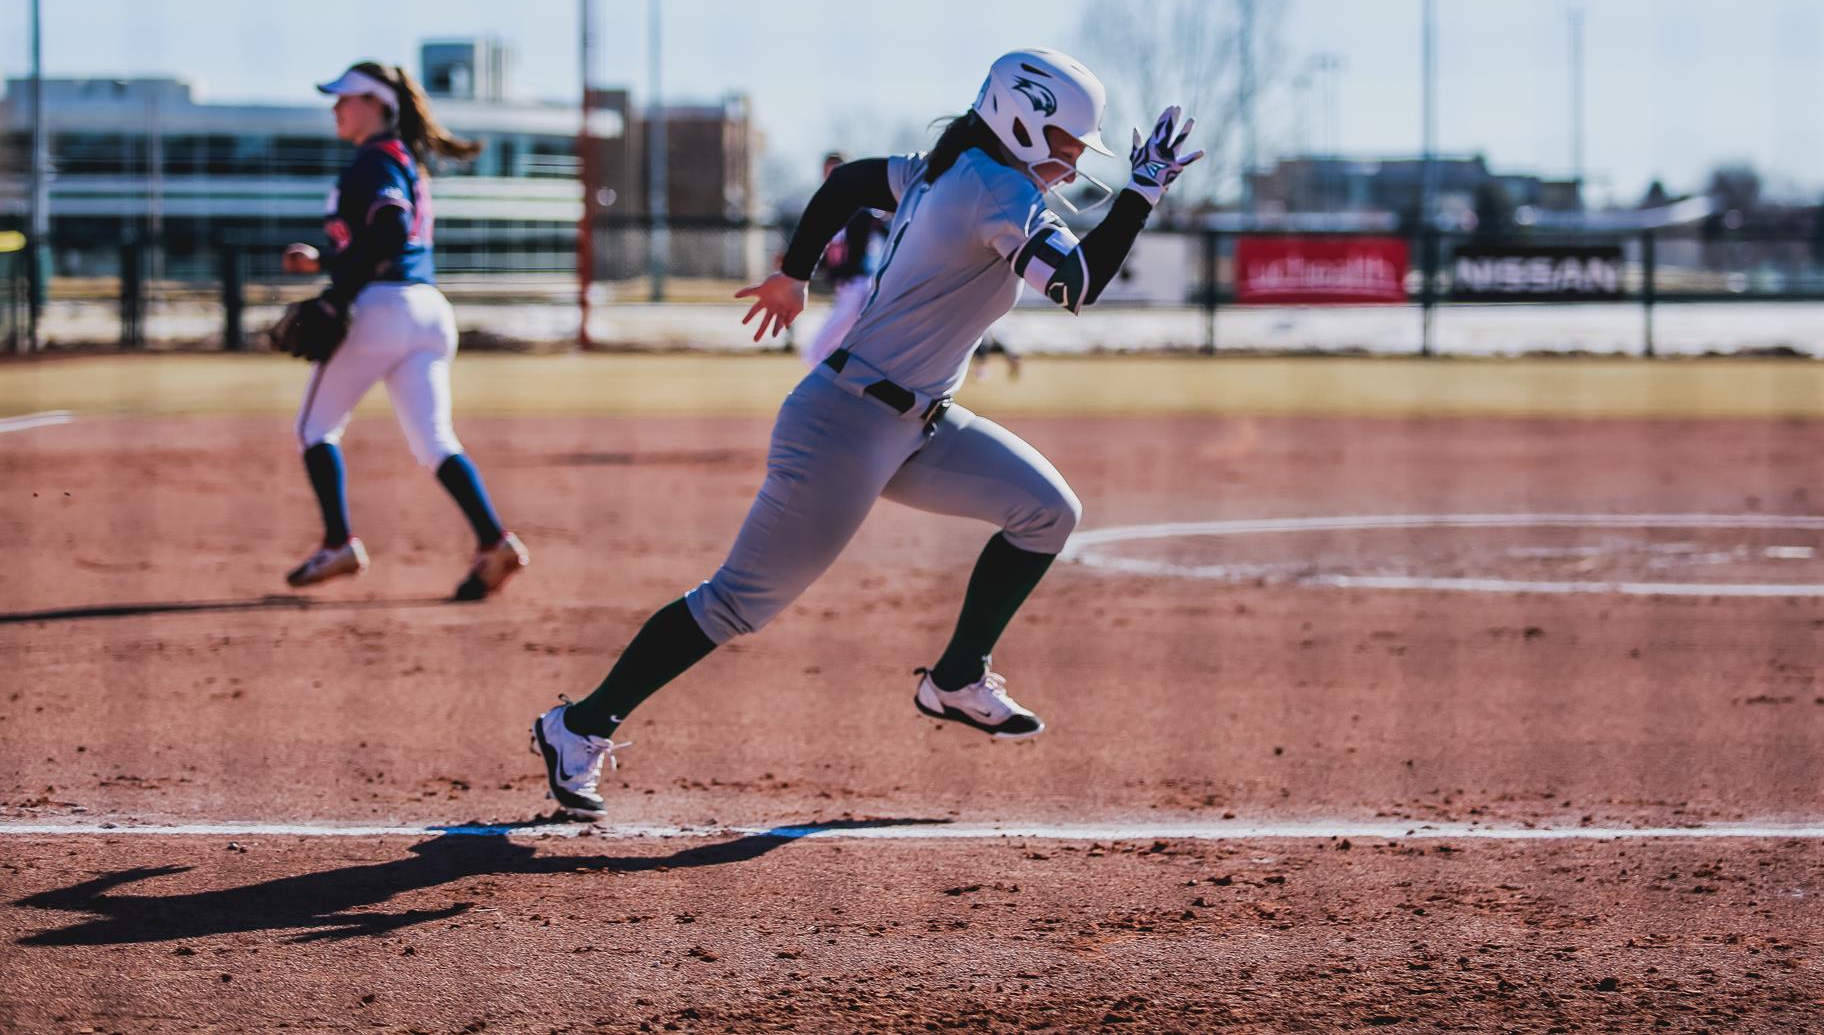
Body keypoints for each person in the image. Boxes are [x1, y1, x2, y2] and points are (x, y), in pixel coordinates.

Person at [530, 47, 1200, 818]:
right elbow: (1076, 285)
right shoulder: (995, 187)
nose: (1076, 161)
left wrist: (795, 270)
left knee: (1049, 511)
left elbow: (849, 181)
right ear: (1021, 119)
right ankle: (577, 726)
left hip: (919, 422)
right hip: (845, 425)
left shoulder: (949, 165)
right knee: (737, 602)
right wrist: (1142, 191)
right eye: (1068, 143)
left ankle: (955, 677)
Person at [277, 62, 529, 602]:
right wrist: (326, 260)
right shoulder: (403, 161)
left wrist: (336, 295)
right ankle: (494, 541)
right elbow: (385, 242)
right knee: (434, 441)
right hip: (429, 310)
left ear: (376, 104)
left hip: (381, 309)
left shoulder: (371, 160)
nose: (336, 110)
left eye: (344, 100)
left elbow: (389, 232)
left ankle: (339, 542)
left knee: (313, 429)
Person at [797, 151, 888, 365]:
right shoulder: (825, 211)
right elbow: (829, 257)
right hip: (846, 290)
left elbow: (886, 230)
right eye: (829, 172)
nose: (833, 177)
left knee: (814, 352)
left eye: (838, 171)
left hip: (859, 287)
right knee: (841, 355)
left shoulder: (861, 211)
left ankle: (822, 398)